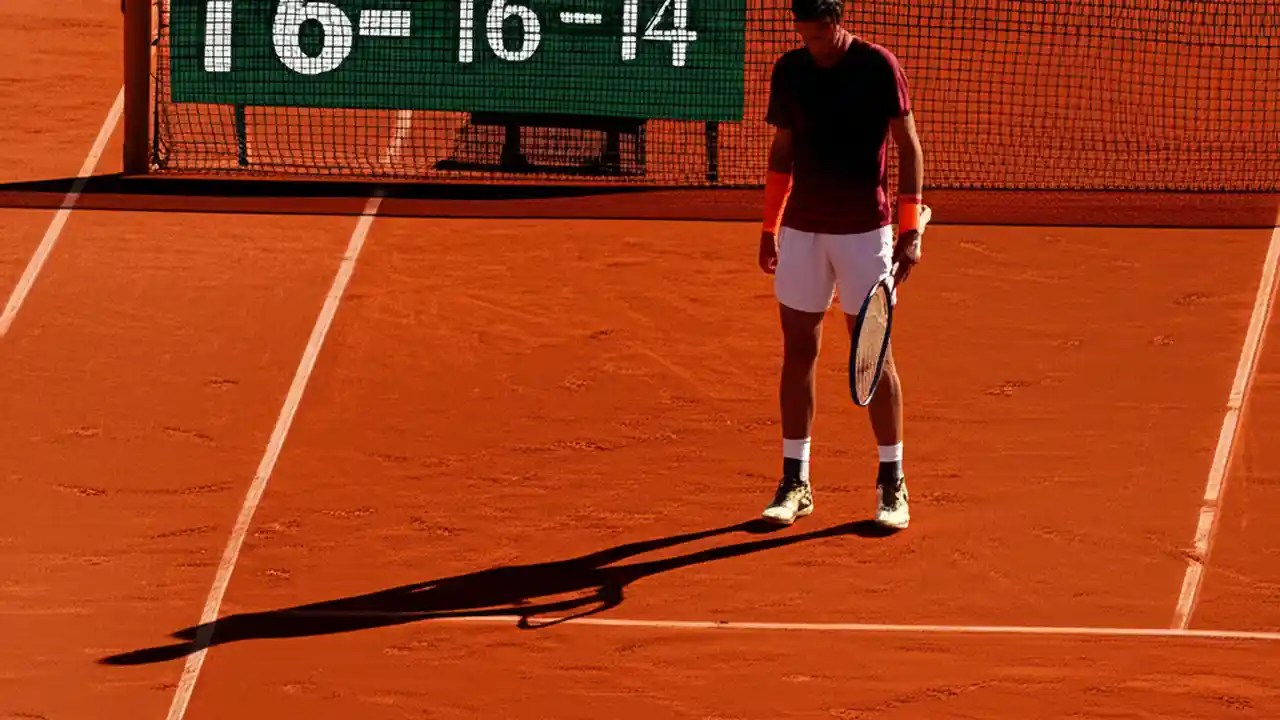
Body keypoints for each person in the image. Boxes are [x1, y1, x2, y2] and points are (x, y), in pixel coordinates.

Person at [757, 0, 925, 529]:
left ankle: (892, 483)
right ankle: (795, 482)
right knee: (798, 354)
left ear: (838, 22)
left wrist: (909, 229)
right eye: (804, 36)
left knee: (874, 356)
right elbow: (782, 152)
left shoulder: (878, 66)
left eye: (820, 35)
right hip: (803, 232)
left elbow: (908, 147)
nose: (814, 46)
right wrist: (769, 227)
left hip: (864, 234)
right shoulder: (790, 70)